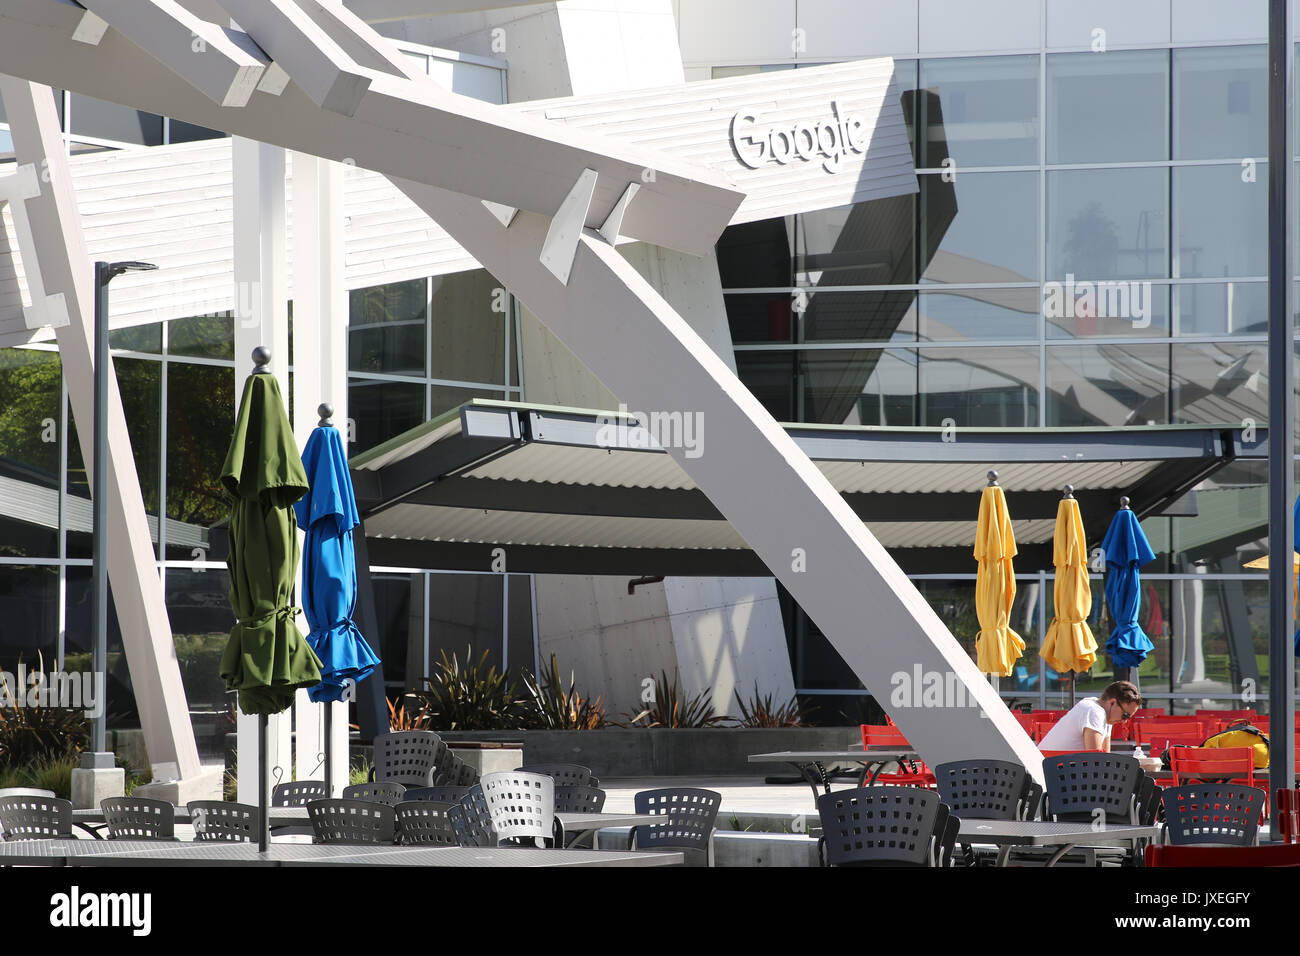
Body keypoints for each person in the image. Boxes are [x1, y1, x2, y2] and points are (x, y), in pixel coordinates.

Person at [1037, 680, 1142, 753]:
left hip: (1056, 773)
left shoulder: (1103, 713)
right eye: (1125, 715)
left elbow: (1104, 758)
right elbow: (1095, 761)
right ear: (1112, 703)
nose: (1124, 721)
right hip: (1047, 778)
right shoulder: (1094, 711)